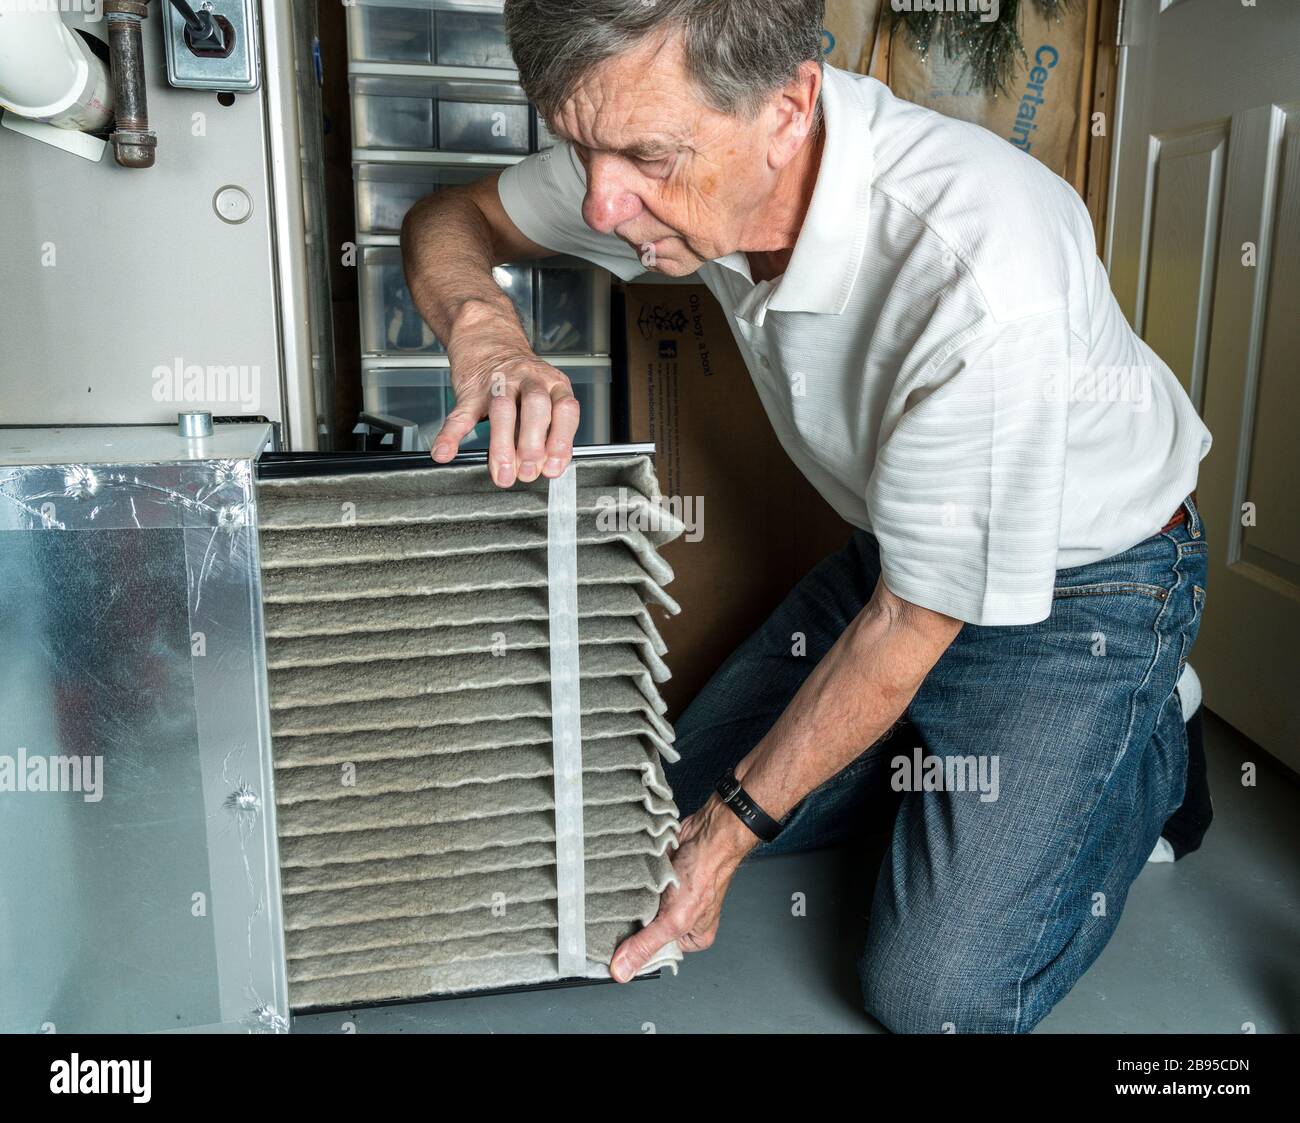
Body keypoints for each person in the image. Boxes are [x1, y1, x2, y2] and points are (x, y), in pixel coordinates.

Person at [401, 0, 1212, 1033]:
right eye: (579, 149)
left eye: (645, 158)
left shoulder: (982, 264)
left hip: (1089, 585)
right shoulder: (643, 132)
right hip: (898, 562)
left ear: (787, 108)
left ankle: (1154, 740)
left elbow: (911, 626)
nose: (602, 206)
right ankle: (941, 771)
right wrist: (488, 330)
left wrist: (732, 835)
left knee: (937, 996)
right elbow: (446, 218)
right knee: (634, 834)